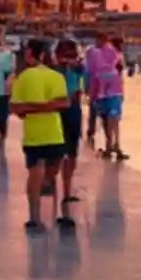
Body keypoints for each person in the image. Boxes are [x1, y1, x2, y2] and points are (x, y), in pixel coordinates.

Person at [10, 39, 70, 234]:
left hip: (34, 135)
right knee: (51, 175)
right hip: (53, 133)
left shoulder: (22, 78)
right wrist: (46, 106)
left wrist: (32, 108)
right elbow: (62, 103)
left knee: (36, 175)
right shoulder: (56, 77)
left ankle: (34, 216)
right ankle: (54, 212)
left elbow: (17, 108)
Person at [54, 39, 86, 226]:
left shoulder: (76, 68)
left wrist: (73, 62)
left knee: (72, 152)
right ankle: (54, 185)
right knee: (58, 151)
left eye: (71, 54)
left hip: (73, 109)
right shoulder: (54, 70)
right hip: (59, 109)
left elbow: (82, 70)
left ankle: (67, 189)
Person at [86, 32, 127, 160]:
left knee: (109, 119)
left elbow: (93, 73)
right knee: (111, 119)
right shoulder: (103, 53)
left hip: (107, 91)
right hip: (108, 90)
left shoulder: (100, 53)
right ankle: (113, 145)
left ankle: (112, 145)